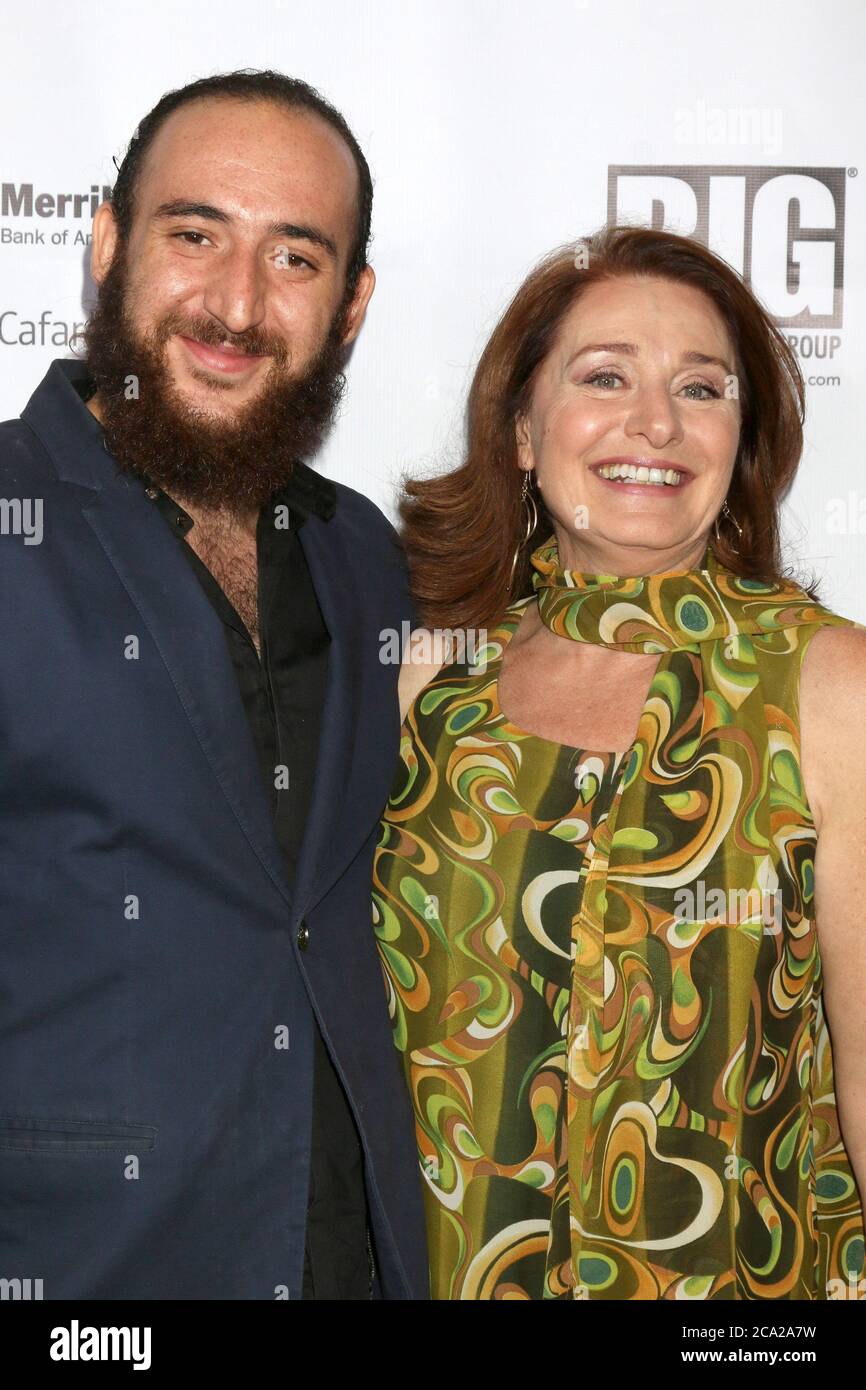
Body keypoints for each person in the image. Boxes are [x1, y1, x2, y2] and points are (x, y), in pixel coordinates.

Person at [372, 225, 866, 1300]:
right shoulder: (432, 687)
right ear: (517, 431)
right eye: (604, 377)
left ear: (741, 439)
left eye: (701, 388)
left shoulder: (825, 684)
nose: (656, 422)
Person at [0, 69, 428, 1300]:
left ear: (349, 307)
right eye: (195, 235)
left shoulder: (363, 553)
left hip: (346, 1253)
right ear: (107, 242)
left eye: (295, 259)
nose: (235, 305)